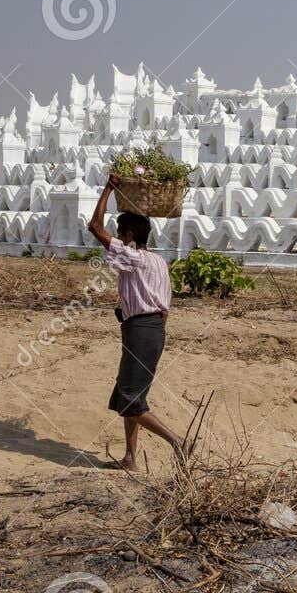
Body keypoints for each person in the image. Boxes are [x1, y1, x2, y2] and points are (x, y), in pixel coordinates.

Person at [88, 174, 181, 471]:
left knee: (129, 401)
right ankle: (130, 458)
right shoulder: (157, 261)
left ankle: (178, 442)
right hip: (151, 330)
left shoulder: (134, 259)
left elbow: (94, 227)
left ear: (128, 236)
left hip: (141, 330)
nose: (116, 237)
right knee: (131, 395)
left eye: (120, 233)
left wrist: (108, 188)